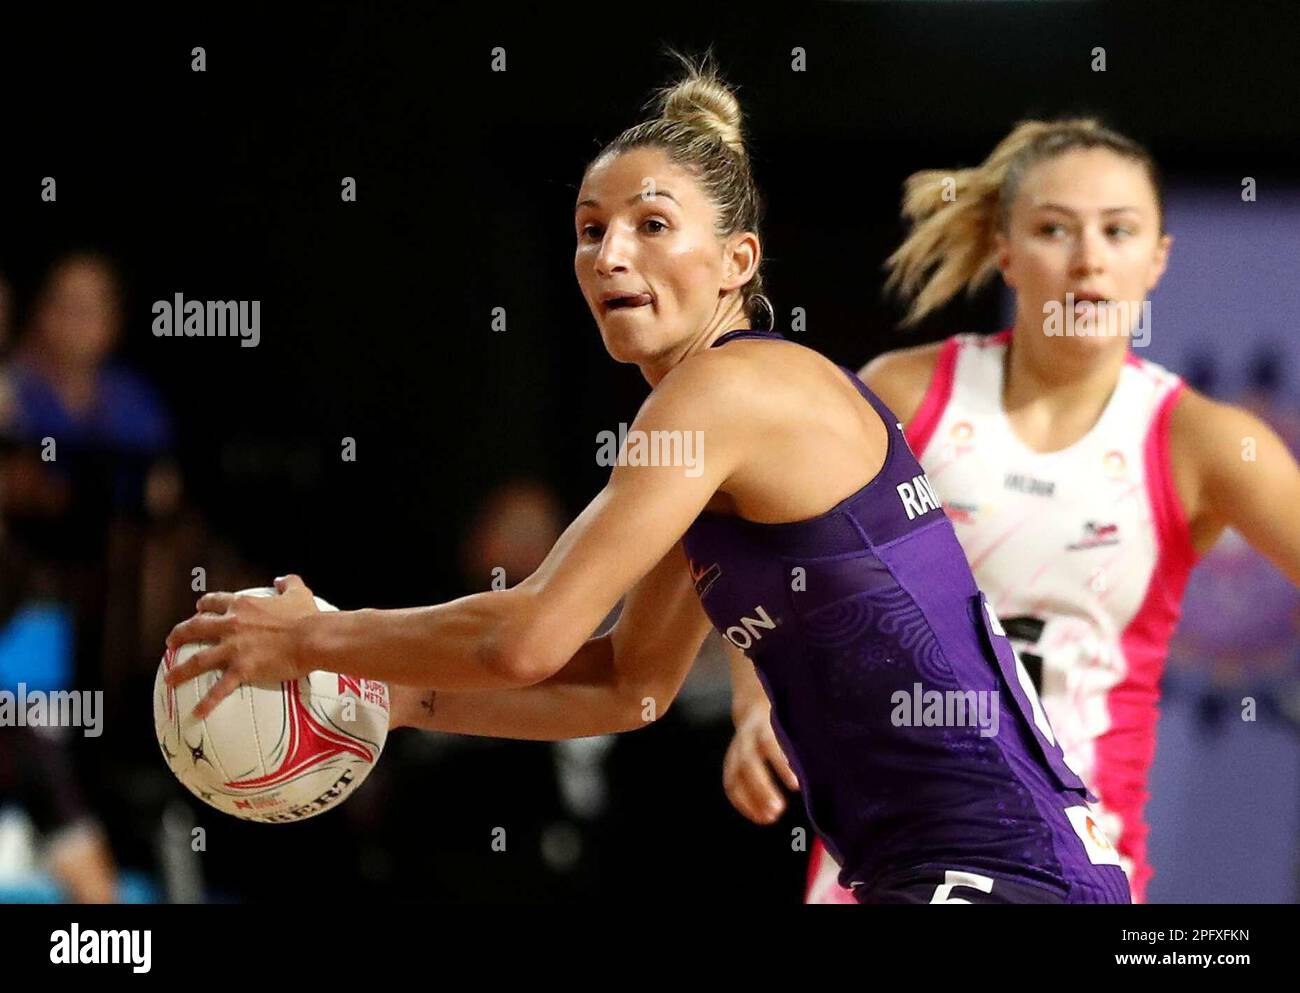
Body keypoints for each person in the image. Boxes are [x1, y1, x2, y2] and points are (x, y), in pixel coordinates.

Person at [165, 57, 1129, 904]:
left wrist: (316, 642)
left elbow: (530, 631)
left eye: (651, 223)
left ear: (735, 263)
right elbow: (628, 686)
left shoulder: (726, 393)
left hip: (996, 870)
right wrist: (389, 697)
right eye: (590, 229)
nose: (609, 253)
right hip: (997, 865)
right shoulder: (709, 429)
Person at [722, 119, 1300, 904]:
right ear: (1006, 251)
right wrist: (757, 697)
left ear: (1159, 257)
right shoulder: (905, 393)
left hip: (1072, 856)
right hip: (889, 843)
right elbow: (753, 523)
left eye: (1119, 231)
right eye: (1054, 228)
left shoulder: (1201, 439)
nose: (1089, 257)